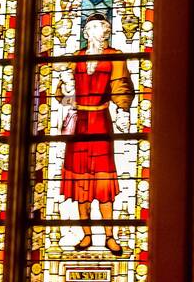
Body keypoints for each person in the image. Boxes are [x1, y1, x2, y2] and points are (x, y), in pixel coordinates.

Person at [57, 13, 135, 254]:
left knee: (103, 182)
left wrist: (123, 109)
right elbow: (63, 94)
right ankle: (87, 234)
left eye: (105, 28)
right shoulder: (76, 59)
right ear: (86, 32)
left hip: (100, 122)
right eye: (96, 28)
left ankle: (110, 235)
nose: (102, 32)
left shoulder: (114, 57)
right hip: (78, 124)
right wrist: (66, 92)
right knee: (80, 180)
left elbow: (121, 85)